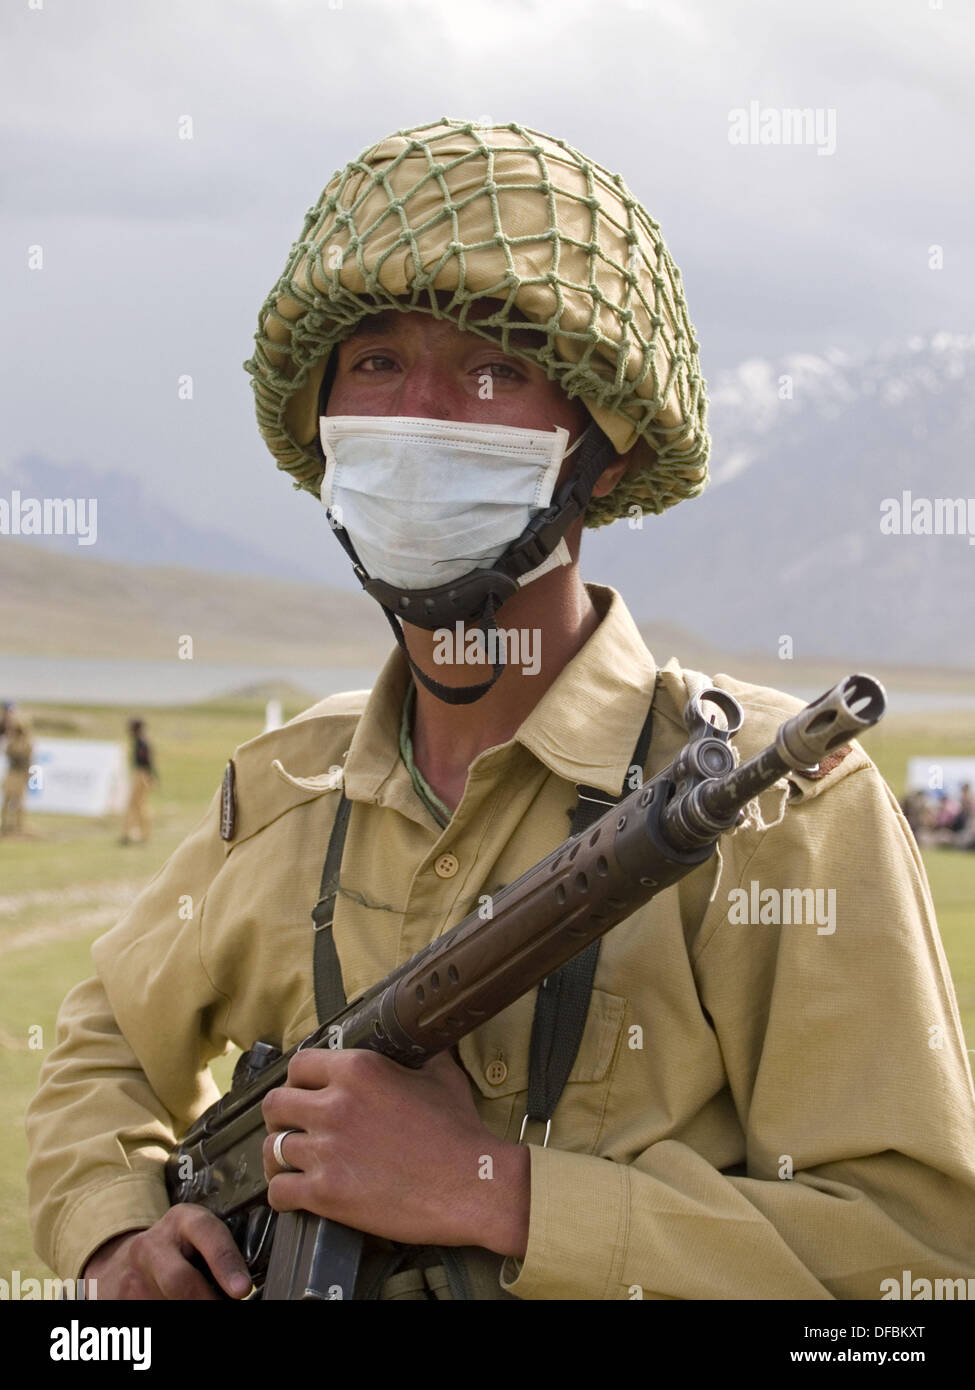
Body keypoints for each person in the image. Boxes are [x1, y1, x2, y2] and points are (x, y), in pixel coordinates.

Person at [26, 119, 975, 1300]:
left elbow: (913, 1265)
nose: (420, 413)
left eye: (494, 369)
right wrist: (116, 1235)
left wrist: (494, 1193)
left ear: (604, 445)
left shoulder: (782, 810)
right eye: (377, 362)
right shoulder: (284, 790)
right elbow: (106, 1042)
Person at [120, 717, 156, 846]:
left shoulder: (142, 742)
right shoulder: (140, 741)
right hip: (141, 774)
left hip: (141, 774)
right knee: (138, 805)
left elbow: (147, 762)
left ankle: (136, 833)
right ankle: (135, 833)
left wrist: (150, 777)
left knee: (137, 804)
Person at [1, 707, 34, 836]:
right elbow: (8, 753)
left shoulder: (27, 743)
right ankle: (5, 824)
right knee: (7, 799)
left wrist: (28, 774)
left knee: (19, 801)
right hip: (12, 772)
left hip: (20, 773)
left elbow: (28, 760)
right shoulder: (12, 741)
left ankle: (19, 826)